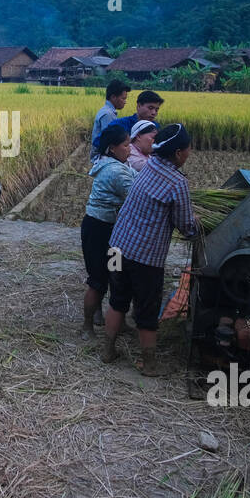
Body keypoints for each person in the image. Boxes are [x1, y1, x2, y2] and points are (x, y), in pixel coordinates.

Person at [103, 123, 197, 376]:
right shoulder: (177, 183)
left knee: (118, 300)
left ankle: (108, 350)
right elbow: (187, 225)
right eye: (188, 150)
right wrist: (198, 229)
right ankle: (149, 363)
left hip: (117, 247)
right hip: (145, 258)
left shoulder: (148, 165)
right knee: (147, 308)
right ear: (178, 153)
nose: (189, 154)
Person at [82, 125, 135, 338]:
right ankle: (87, 326)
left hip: (113, 231)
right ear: (113, 148)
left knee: (115, 274)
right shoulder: (116, 171)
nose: (129, 148)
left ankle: (109, 320)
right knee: (98, 279)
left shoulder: (113, 164)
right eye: (125, 144)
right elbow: (137, 196)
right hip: (100, 231)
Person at [91, 80, 130, 162]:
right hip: (101, 156)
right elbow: (110, 140)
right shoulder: (108, 114)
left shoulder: (107, 111)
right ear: (113, 97)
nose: (125, 102)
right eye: (123, 98)